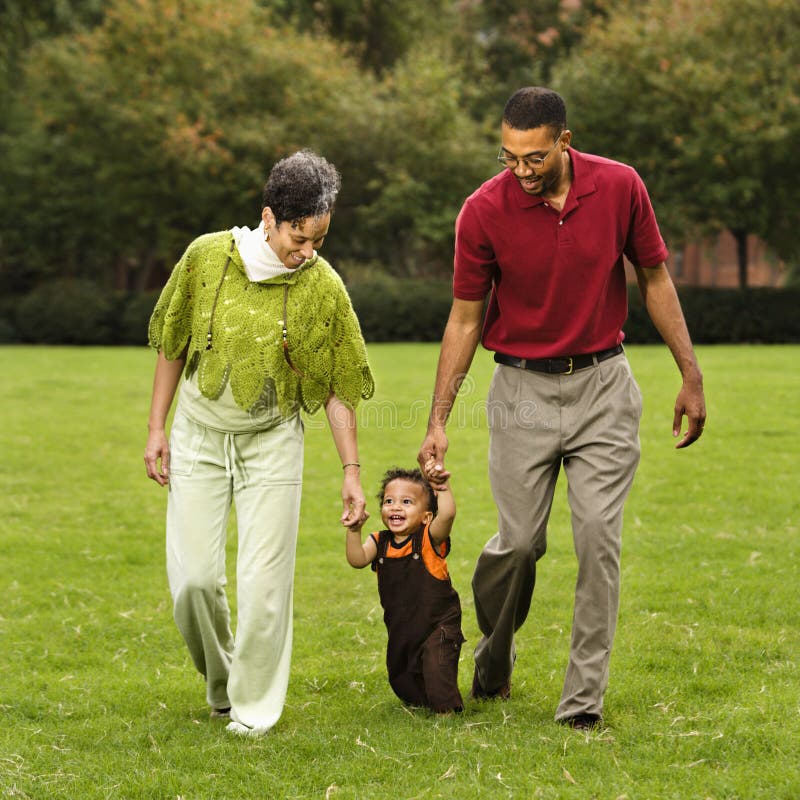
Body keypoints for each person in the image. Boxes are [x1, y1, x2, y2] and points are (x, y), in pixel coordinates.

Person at [417, 87, 706, 730]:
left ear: (565, 143)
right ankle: (495, 652)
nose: (519, 171)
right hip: (520, 391)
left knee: (599, 539)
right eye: (508, 156)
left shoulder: (621, 186)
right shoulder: (483, 211)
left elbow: (655, 278)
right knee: (517, 546)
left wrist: (690, 375)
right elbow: (465, 319)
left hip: (604, 384)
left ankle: (582, 703)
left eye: (534, 158)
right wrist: (438, 419)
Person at [144, 149, 374, 737]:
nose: (309, 252)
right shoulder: (206, 258)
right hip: (198, 437)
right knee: (194, 581)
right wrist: (157, 428)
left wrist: (351, 470)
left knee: (265, 588)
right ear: (268, 217)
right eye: (300, 237)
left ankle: (253, 711)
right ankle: (222, 686)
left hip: (272, 442)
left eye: (319, 239)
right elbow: (174, 342)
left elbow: (337, 387)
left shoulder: (322, 287)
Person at [344, 466, 465, 713]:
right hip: (402, 627)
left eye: (407, 502)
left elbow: (448, 515)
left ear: (426, 516)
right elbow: (357, 559)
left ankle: (448, 712)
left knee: (437, 667)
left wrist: (442, 487)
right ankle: (424, 700)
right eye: (389, 501)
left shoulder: (430, 539)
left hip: (439, 623)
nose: (396, 507)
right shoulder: (380, 542)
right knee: (404, 680)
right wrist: (354, 530)